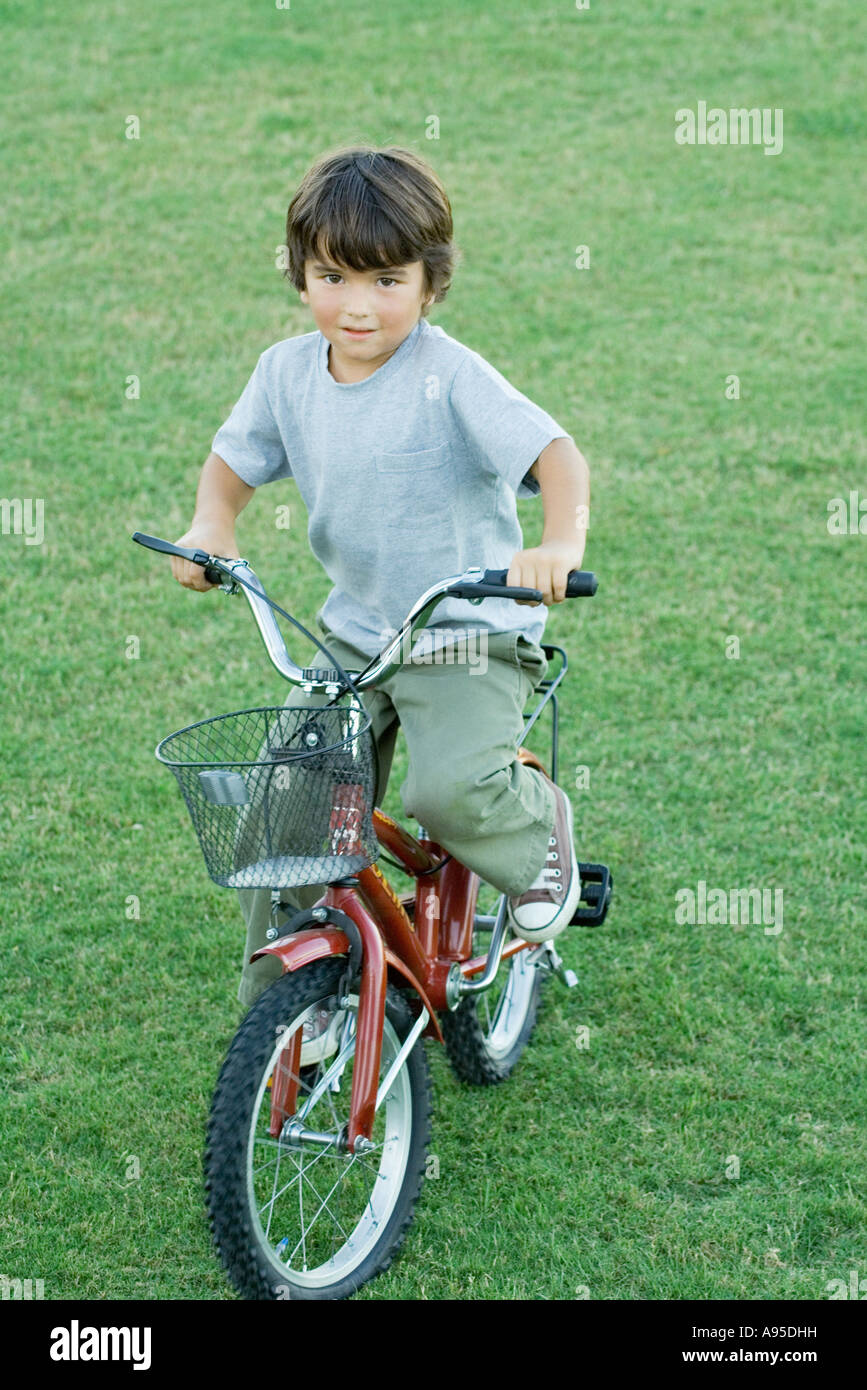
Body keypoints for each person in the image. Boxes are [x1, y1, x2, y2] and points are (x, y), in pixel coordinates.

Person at [169, 144, 591, 1008]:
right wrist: (213, 523)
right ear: (299, 276)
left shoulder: (448, 376)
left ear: (430, 285)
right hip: (356, 632)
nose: (356, 307)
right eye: (332, 277)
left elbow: (557, 456)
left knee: (447, 790)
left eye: (387, 282)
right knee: (288, 803)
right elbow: (232, 459)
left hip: (466, 631)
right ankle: (291, 1006)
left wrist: (556, 546)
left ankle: (536, 838)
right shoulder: (286, 373)